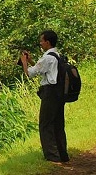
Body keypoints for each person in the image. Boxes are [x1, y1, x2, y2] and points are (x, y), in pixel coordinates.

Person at [20, 30, 69, 163]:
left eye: (42, 41)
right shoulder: (57, 55)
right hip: (59, 93)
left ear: (47, 42)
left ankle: (52, 156)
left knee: (45, 124)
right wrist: (31, 61)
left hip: (50, 94)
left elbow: (29, 74)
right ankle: (62, 154)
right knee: (58, 124)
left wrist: (24, 62)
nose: (40, 43)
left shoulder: (47, 58)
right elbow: (43, 70)